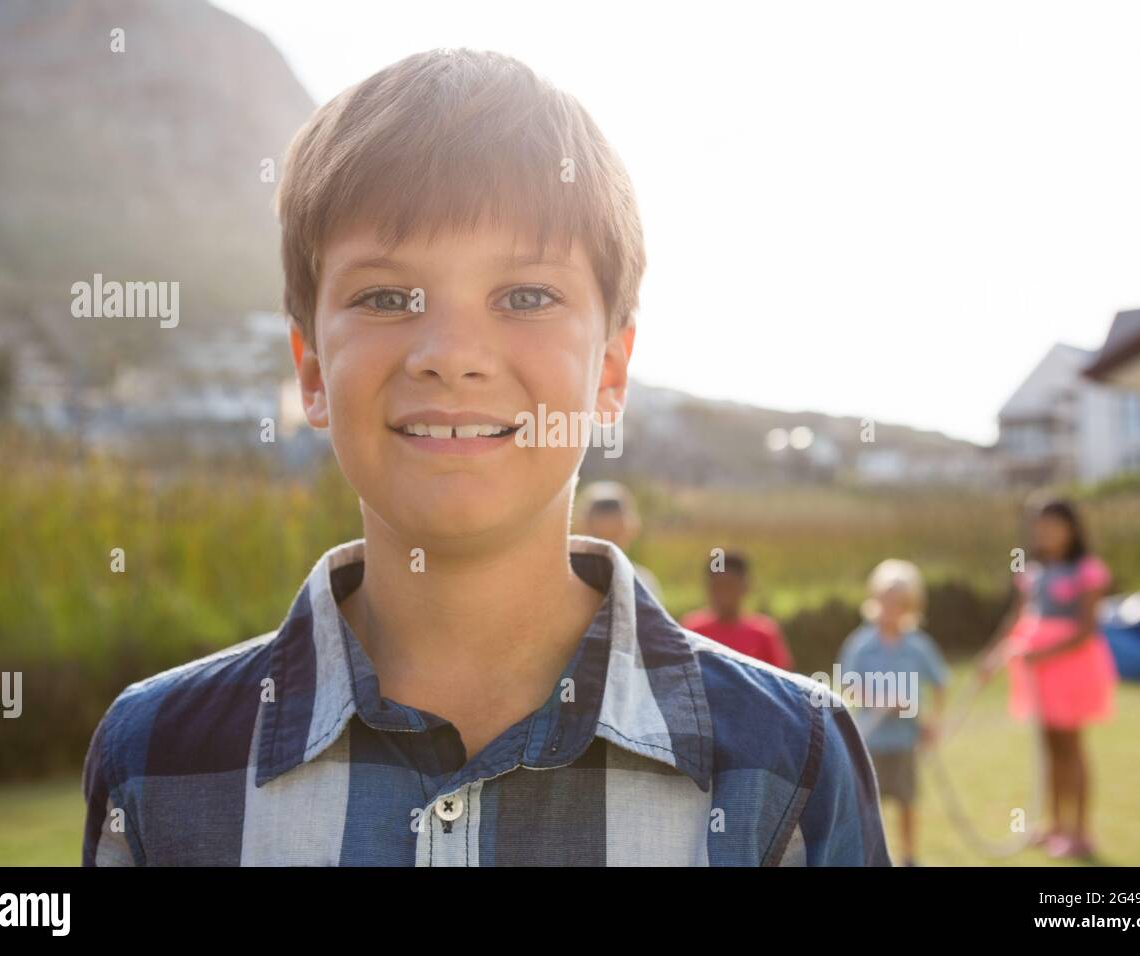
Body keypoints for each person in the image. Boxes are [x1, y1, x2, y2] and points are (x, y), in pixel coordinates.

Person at [80, 48, 889, 866]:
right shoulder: (155, 763)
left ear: (609, 372)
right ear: (313, 372)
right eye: (388, 298)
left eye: (526, 297)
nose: (452, 354)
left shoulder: (792, 764)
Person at [978, 497, 1117, 861]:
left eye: (1054, 525)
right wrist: (994, 655)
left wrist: (1042, 654)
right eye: (1040, 526)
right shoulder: (1033, 572)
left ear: (1072, 529)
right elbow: (1017, 619)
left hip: (1069, 668)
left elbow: (1086, 629)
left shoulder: (1086, 570)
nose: (1046, 533)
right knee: (1050, 749)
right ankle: (1056, 825)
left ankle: (1080, 831)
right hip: (1035, 671)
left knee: (1071, 748)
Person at [838, 559, 948, 867]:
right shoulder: (860, 645)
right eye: (885, 600)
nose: (891, 608)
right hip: (869, 742)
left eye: (899, 603)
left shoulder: (918, 645)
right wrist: (879, 698)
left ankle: (909, 856)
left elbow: (940, 683)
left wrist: (931, 722)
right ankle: (871, 855)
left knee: (907, 799)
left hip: (905, 740)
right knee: (868, 804)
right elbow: (847, 685)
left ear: (911, 605)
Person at [681, 551, 793, 669]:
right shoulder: (692, 630)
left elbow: (781, 678)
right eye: (717, 586)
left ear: (745, 586)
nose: (723, 595)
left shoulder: (763, 632)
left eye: (729, 586)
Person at [575, 480, 664, 601]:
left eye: (615, 536)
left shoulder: (644, 582)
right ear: (583, 529)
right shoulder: (571, 580)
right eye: (600, 537)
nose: (609, 548)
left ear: (631, 530)